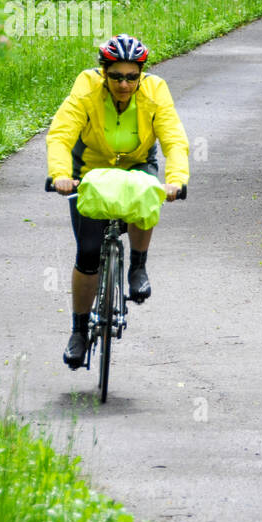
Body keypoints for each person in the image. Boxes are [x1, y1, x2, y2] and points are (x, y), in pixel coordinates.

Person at [47, 35, 189, 369]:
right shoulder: (86, 88)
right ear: (103, 73)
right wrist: (60, 175)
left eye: (131, 77)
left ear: (141, 75)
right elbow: (61, 133)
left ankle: (138, 265)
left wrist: (176, 180)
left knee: (147, 192)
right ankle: (79, 332)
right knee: (87, 254)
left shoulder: (155, 91)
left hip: (137, 162)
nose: (124, 84)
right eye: (116, 77)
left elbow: (174, 138)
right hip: (91, 171)